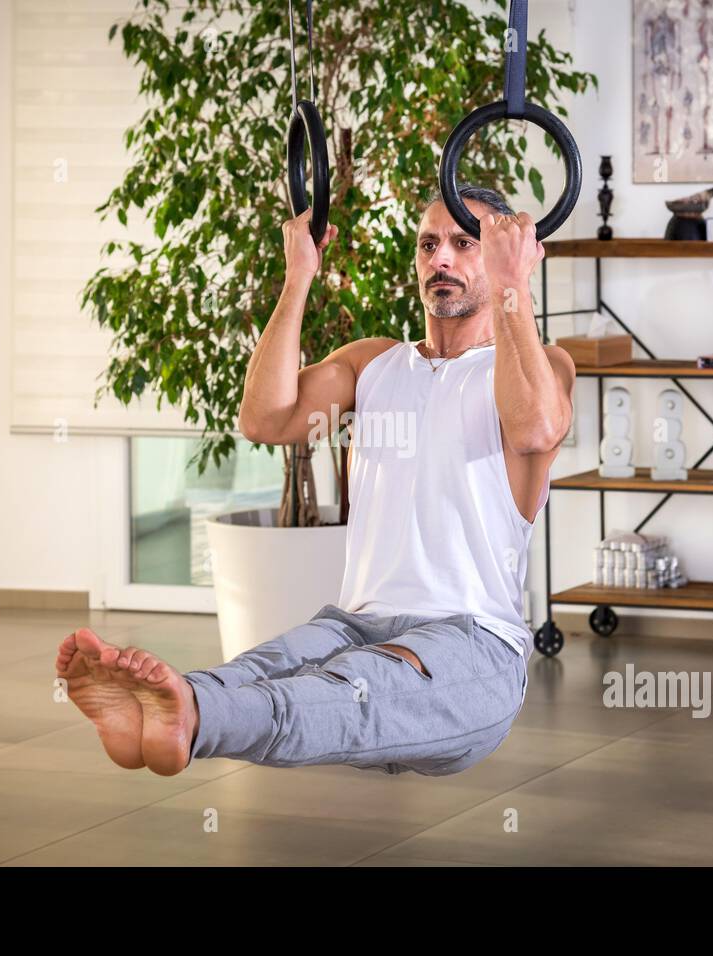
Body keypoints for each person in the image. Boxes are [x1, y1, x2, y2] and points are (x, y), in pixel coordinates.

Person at [55, 185, 575, 777]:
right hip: (354, 623)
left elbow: (533, 428)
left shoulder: (542, 366)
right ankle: (156, 714)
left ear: (503, 253)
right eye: (428, 244)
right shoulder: (373, 364)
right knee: (265, 666)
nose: (441, 260)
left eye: (464, 243)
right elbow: (265, 418)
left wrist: (514, 285)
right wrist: (298, 276)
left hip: (473, 645)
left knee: (349, 685)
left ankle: (192, 715)